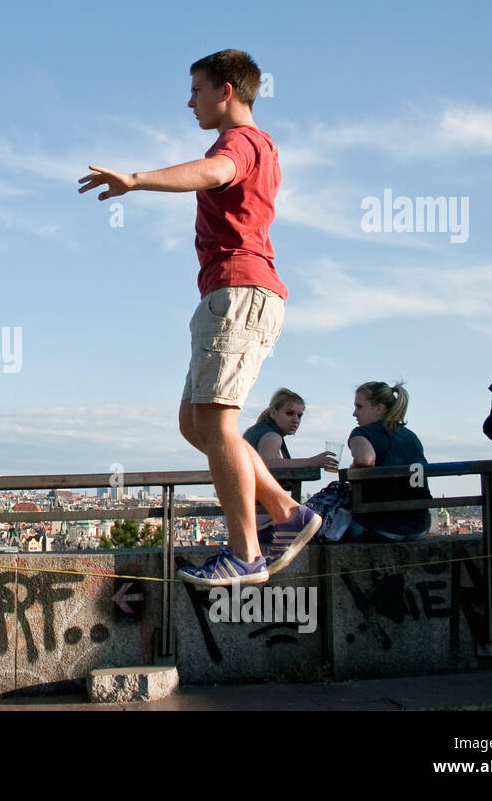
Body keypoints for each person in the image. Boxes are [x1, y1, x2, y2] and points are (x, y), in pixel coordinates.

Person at [79, 49, 319, 584]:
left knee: (217, 422)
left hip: (239, 289)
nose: (190, 102)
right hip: (232, 290)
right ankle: (286, 510)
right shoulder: (263, 145)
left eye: (196, 90)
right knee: (197, 423)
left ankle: (246, 552)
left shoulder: (239, 143)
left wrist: (136, 180)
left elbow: (214, 172)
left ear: (226, 90)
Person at [343, 381, 431, 541]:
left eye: (359, 407)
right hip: (420, 526)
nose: (354, 413)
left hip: (382, 526)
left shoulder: (362, 433)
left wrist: (355, 466)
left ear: (379, 408)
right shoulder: (411, 437)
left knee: (328, 526)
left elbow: (365, 459)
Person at [243, 388, 337, 472]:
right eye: (289, 413)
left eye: (299, 416)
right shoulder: (272, 436)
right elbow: (267, 464)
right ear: (274, 413)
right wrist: (311, 462)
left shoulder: (257, 430)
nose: (296, 420)